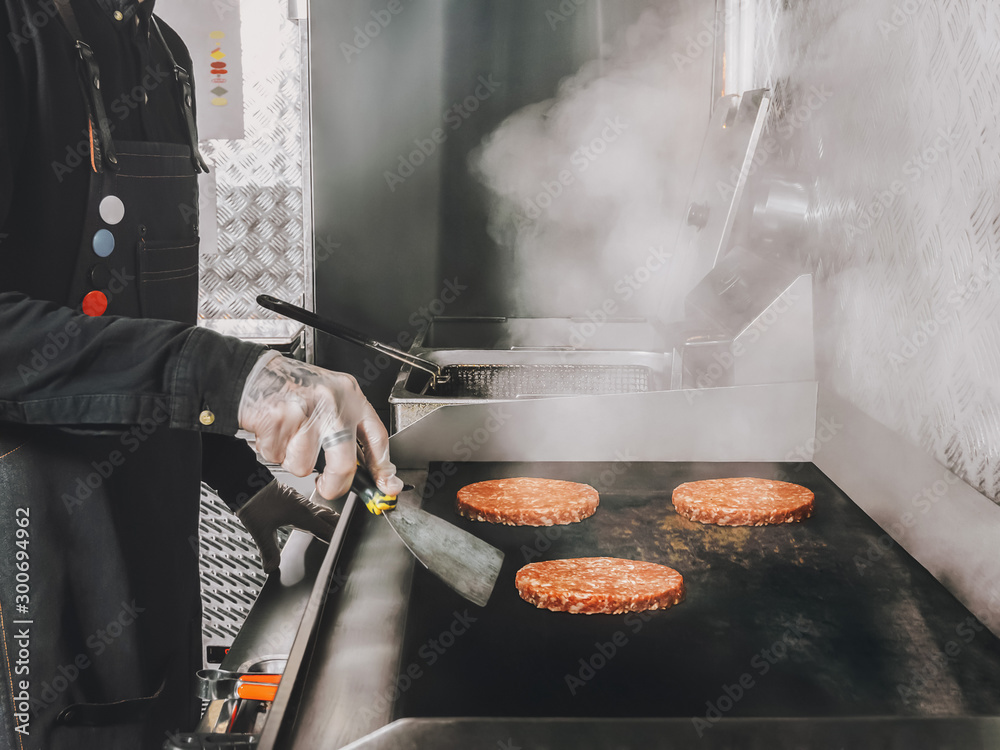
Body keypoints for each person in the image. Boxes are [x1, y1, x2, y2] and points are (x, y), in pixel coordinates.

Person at [0, 1, 403, 748]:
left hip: (155, 559)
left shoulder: (163, 52)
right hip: (32, 573)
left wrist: (248, 482)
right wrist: (229, 376)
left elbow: (131, 330)